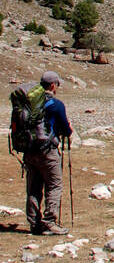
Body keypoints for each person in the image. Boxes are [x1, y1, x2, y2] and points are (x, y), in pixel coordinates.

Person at [23, 71, 73, 235]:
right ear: (53, 85)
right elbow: (66, 130)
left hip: (30, 151)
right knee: (54, 186)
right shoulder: (56, 104)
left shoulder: (29, 102)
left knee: (34, 188)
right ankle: (49, 222)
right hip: (48, 151)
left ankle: (34, 224)